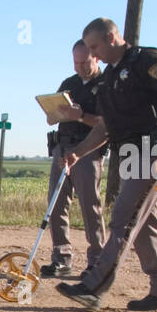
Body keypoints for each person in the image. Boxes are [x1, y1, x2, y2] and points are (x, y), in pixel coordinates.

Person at [56, 17, 157, 311]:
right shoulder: (109, 81)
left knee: (123, 217)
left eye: (95, 46)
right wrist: (78, 151)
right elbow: (103, 128)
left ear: (112, 38)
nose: (93, 54)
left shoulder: (145, 60)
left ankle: (93, 287)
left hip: (151, 150)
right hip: (127, 153)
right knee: (143, 224)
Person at [42, 40, 106, 277]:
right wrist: (54, 113)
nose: (79, 67)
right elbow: (53, 117)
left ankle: (97, 262)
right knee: (56, 204)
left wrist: (80, 116)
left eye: (84, 62)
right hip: (62, 147)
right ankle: (61, 259)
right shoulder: (69, 83)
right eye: (76, 62)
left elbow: (106, 124)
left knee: (90, 206)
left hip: (88, 151)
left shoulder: (106, 84)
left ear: (96, 57)